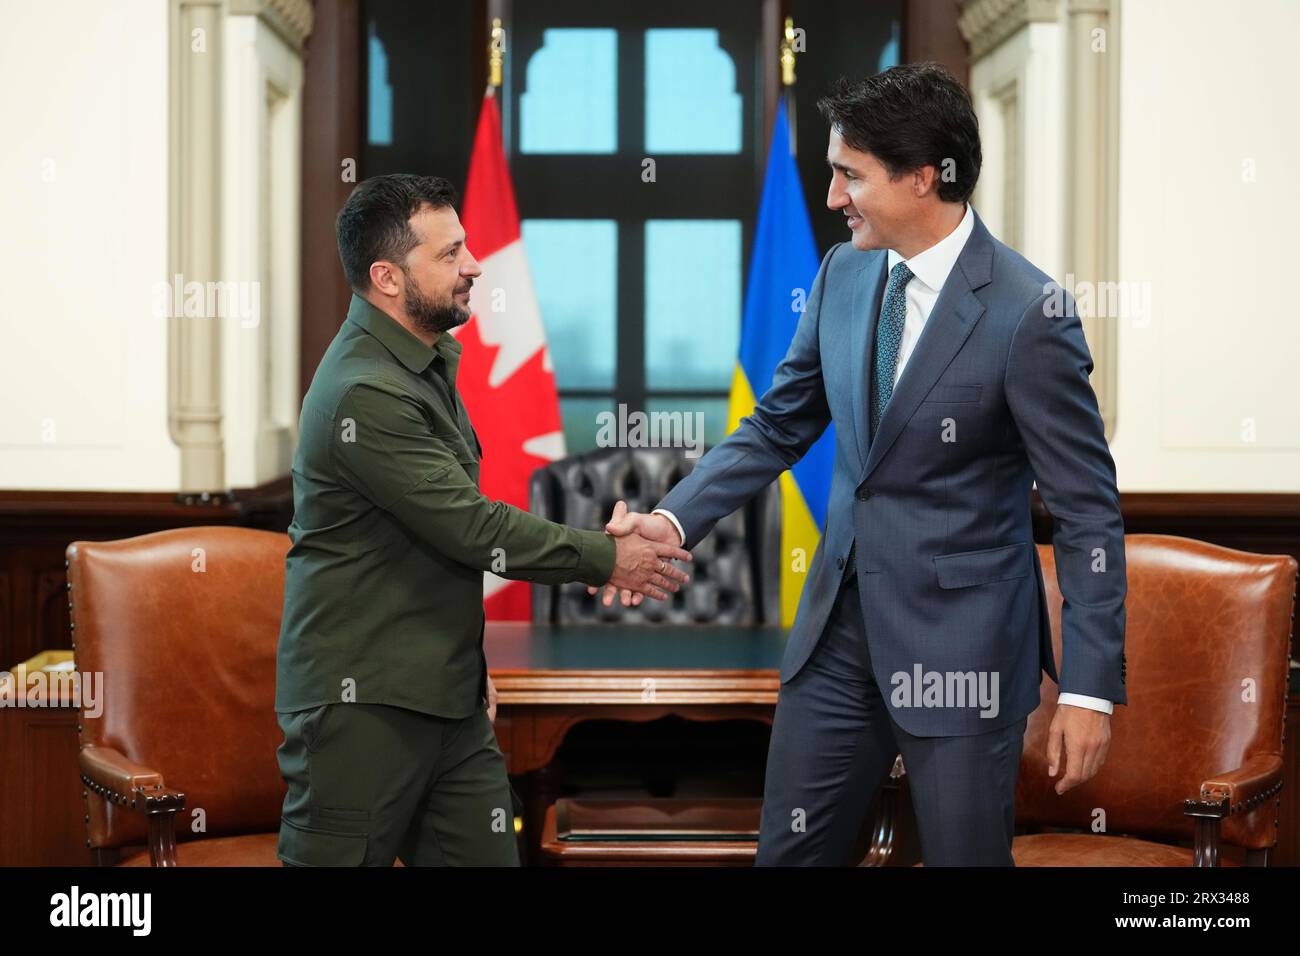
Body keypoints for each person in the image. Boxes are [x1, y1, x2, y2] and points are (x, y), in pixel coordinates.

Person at [598, 63, 1126, 866]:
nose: (833, 197)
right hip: (837, 641)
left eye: (850, 176)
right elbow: (778, 424)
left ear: (922, 178)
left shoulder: (1029, 315)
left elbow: (1087, 512)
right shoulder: (843, 274)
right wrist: (672, 519)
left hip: (962, 655)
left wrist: (1087, 693)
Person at [275, 174, 691, 866]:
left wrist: (461, 670)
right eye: (450, 254)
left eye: (466, 246)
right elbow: (471, 528)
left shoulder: (422, 361)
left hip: (449, 698)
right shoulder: (365, 391)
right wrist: (607, 556)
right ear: (386, 277)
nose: (473, 266)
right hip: (362, 710)